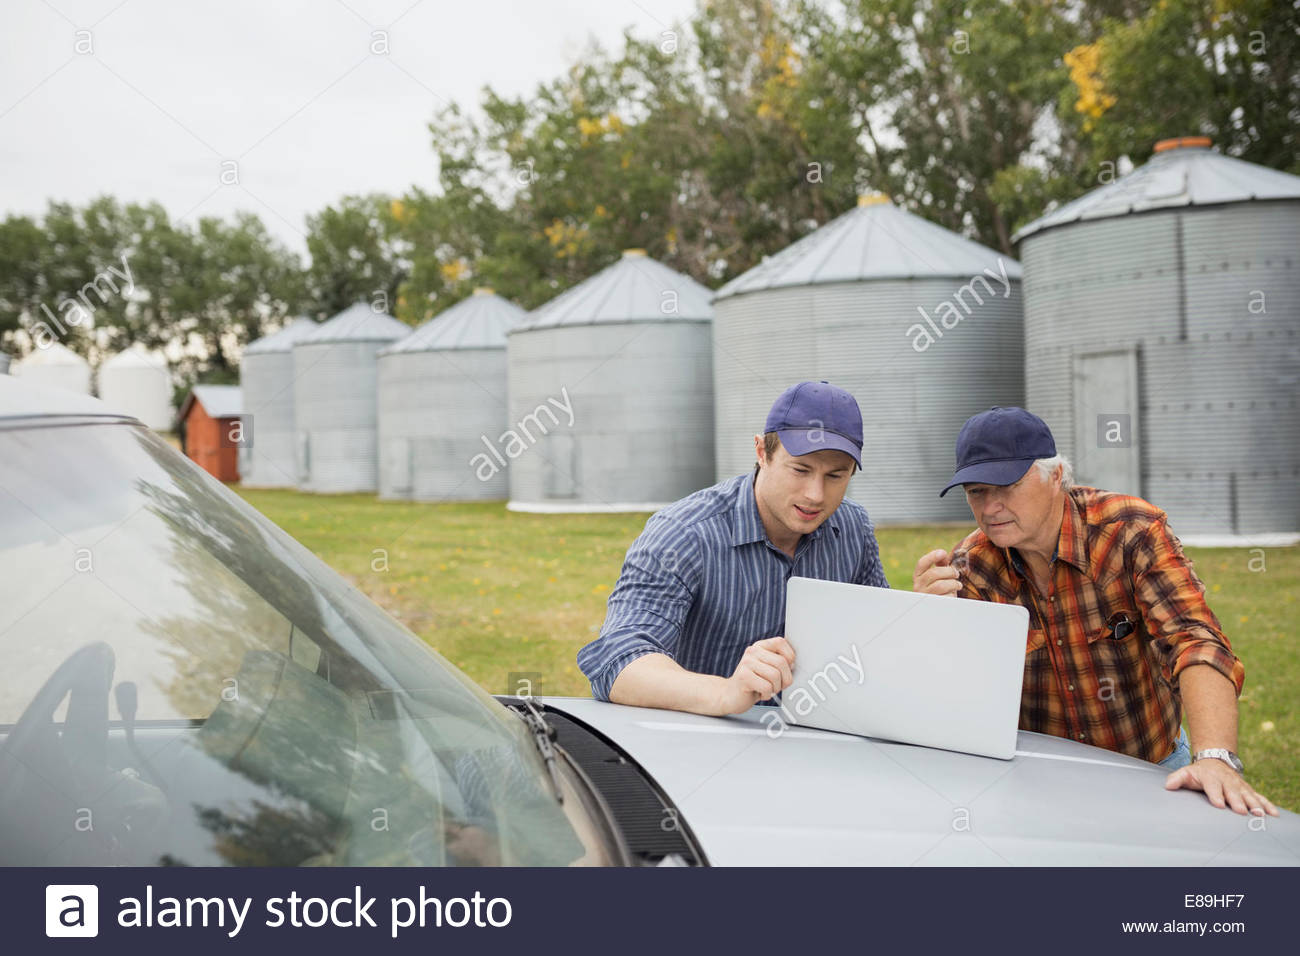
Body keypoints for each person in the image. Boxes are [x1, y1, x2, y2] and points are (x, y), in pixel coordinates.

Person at [913, 406, 1277, 817]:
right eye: (976, 491)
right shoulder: (969, 567)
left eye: (1006, 484)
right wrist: (933, 625)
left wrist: (1214, 757)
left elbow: (1192, 640)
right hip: (1035, 779)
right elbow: (957, 705)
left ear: (1056, 475)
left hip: (1149, 765)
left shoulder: (1130, 531)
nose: (991, 506)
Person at [577, 381, 889, 716]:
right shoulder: (683, 533)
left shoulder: (854, 527)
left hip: (819, 742)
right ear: (761, 452)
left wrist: (922, 612)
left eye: (835, 476)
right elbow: (619, 663)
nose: (815, 494)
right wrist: (725, 692)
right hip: (700, 743)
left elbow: (874, 646)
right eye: (800, 470)